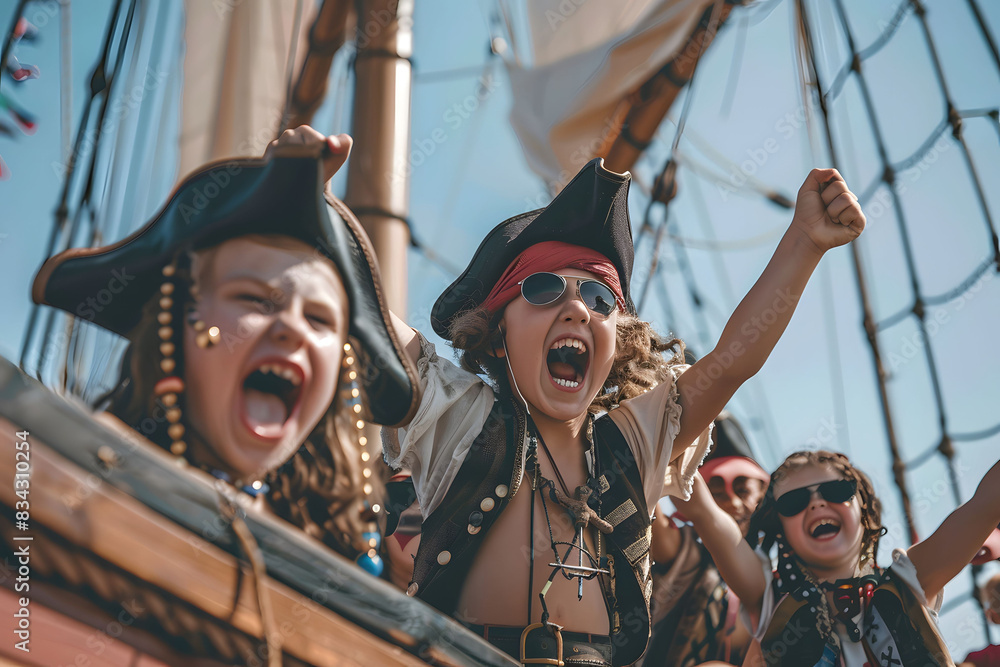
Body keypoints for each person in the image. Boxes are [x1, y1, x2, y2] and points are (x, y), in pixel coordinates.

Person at [273, 125, 866, 666]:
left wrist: (805, 243)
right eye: (545, 288)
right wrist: (303, 201)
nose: (578, 308)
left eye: (601, 300)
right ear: (498, 337)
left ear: (617, 342)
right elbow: (370, 317)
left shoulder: (633, 443)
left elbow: (733, 360)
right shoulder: (461, 419)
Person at [31, 145, 420, 570]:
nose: (292, 328)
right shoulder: (69, 469)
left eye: (320, 319)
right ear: (178, 321)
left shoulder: (346, 545)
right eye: (255, 299)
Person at [677, 449, 1000, 666]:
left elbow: (986, 504)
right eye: (794, 502)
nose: (817, 504)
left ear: (864, 508)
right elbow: (704, 512)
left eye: (835, 492)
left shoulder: (910, 580)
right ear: (781, 528)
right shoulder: (769, 597)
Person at [642, 420, 769, 666]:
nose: (732, 503)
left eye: (743, 491)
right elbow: (654, 525)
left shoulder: (781, 576)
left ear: (763, 496)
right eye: (717, 494)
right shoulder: (689, 553)